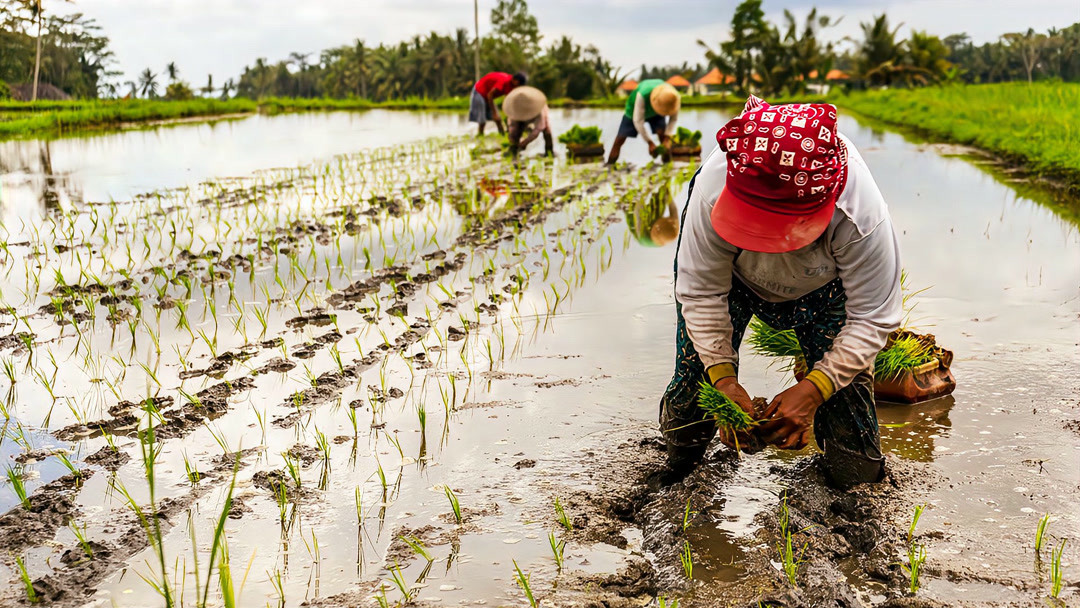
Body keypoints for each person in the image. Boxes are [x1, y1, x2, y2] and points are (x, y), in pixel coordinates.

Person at [659, 97, 903, 489]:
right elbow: (702, 292)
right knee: (694, 386)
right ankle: (675, 474)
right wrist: (723, 380)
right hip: (733, 282)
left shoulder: (860, 212)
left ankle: (850, 486)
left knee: (855, 457)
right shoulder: (713, 188)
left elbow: (872, 317)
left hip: (825, 291)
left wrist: (814, 390)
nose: (769, 245)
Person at [606, 79, 680, 164]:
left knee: (663, 137)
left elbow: (673, 119)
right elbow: (638, 121)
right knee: (619, 140)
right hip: (633, 111)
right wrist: (650, 142)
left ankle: (668, 165)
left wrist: (667, 138)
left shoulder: (672, 97)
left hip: (657, 112)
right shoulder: (642, 94)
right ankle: (609, 166)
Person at [469, 71, 527, 136]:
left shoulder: (512, 86)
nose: (518, 87)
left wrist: (509, 117)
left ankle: (502, 135)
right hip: (479, 92)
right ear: (515, 80)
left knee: (498, 119)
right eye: (518, 84)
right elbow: (490, 95)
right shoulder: (504, 81)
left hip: (488, 95)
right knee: (482, 120)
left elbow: (508, 101)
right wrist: (494, 113)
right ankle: (480, 135)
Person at [502, 86, 553, 157]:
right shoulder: (514, 107)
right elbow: (512, 126)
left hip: (539, 119)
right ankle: (514, 151)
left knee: (547, 131)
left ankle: (549, 152)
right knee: (515, 132)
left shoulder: (540, 109)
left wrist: (525, 142)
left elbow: (538, 129)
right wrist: (512, 138)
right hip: (519, 118)